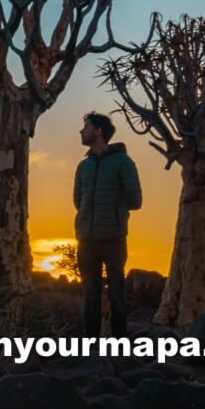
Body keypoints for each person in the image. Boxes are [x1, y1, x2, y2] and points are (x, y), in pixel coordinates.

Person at [74, 111, 142, 337]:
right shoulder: (83, 167)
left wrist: (114, 214)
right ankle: (91, 346)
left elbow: (135, 200)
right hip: (86, 240)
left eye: (86, 127)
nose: (82, 131)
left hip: (113, 239)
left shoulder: (123, 162)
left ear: (98, 131)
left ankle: (119, 345)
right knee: (90, 296)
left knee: (116, 296)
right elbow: (78, 200)